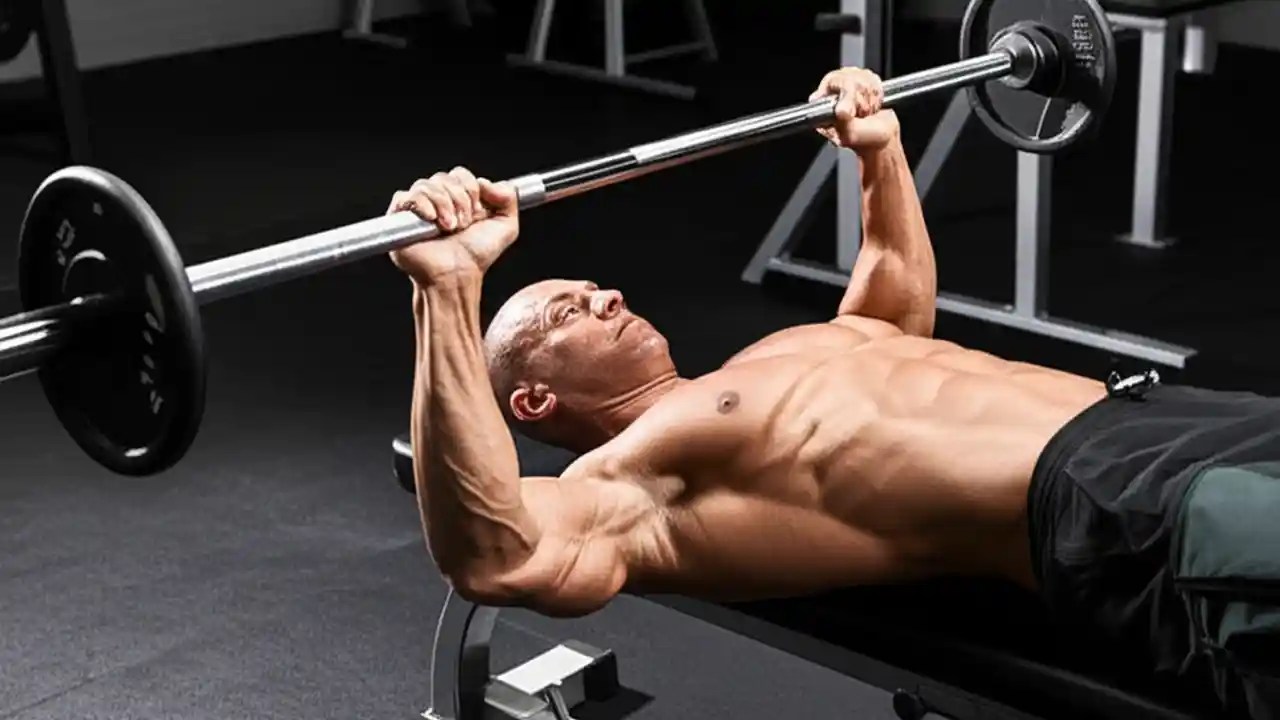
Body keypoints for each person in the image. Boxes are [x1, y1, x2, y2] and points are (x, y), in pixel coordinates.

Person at [387, 67, 1280, 719]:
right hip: (1116, 509)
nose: (607, 296)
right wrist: (448, 290)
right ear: (534, 400)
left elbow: (890, 313)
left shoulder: (775, 353)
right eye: (567, 313)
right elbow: (495, 555)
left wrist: (879, 155)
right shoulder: (631, 484)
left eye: (594, 288)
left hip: (1172, 418)